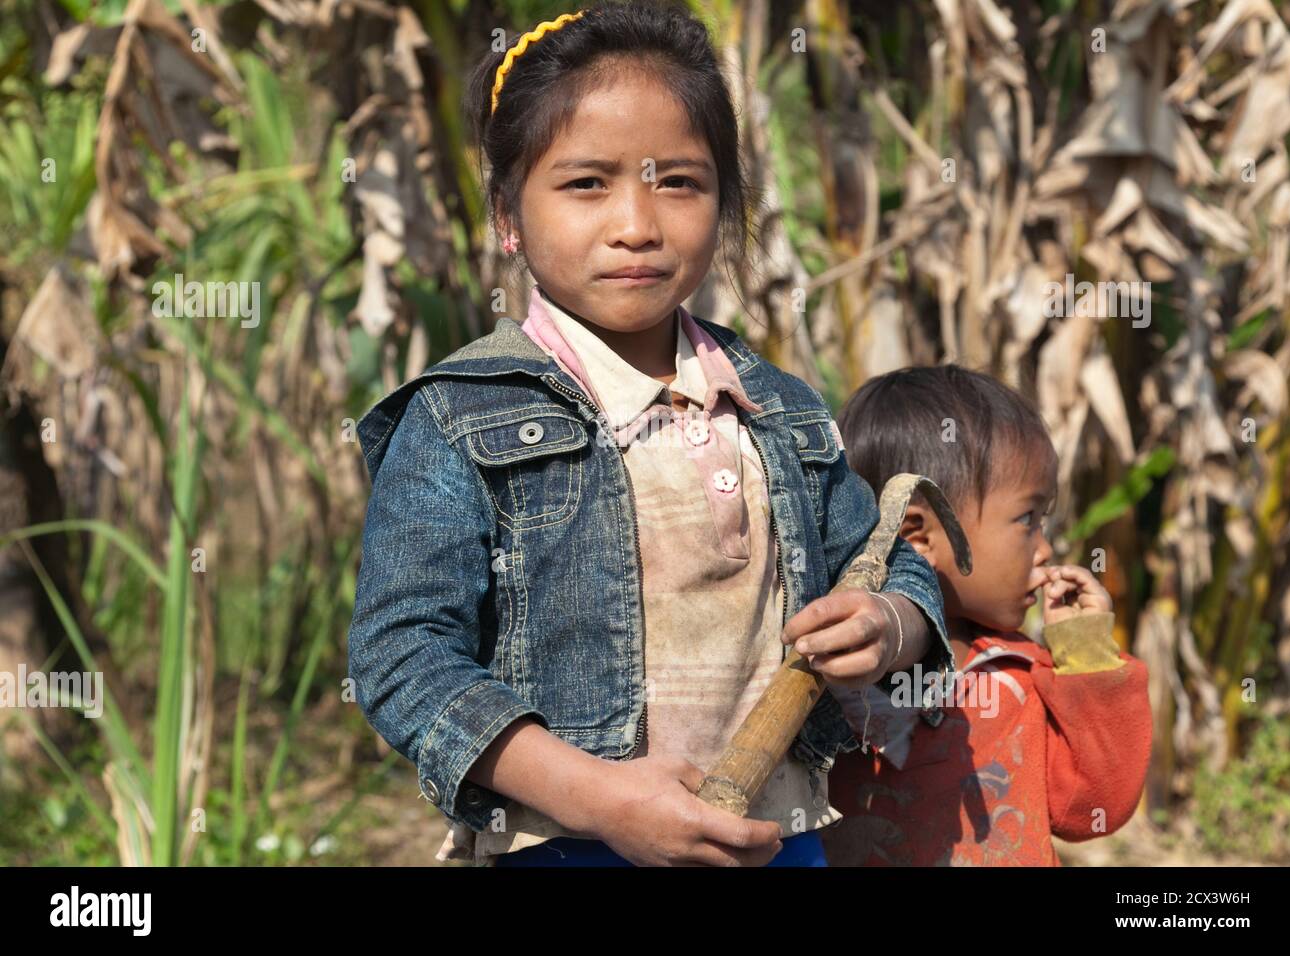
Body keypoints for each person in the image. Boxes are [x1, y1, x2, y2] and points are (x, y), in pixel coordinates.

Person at [347, 1, 953, 867]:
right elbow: (402, 657)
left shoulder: (777, 407)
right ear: (509, 216)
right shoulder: (460, 416)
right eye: (586, 183)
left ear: (724, 202)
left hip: (775, 836)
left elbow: (888, 559)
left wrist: (890, 624)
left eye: (678, 180)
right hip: (565, 846)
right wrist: (600, 797)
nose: (637, 223)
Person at [821, 365, 1153, 865]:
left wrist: (1085, 652)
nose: (1045, 549)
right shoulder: (830, 683)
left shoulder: (1020, 673)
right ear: (919, 535)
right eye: (1027, 520)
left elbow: (1093, 808)